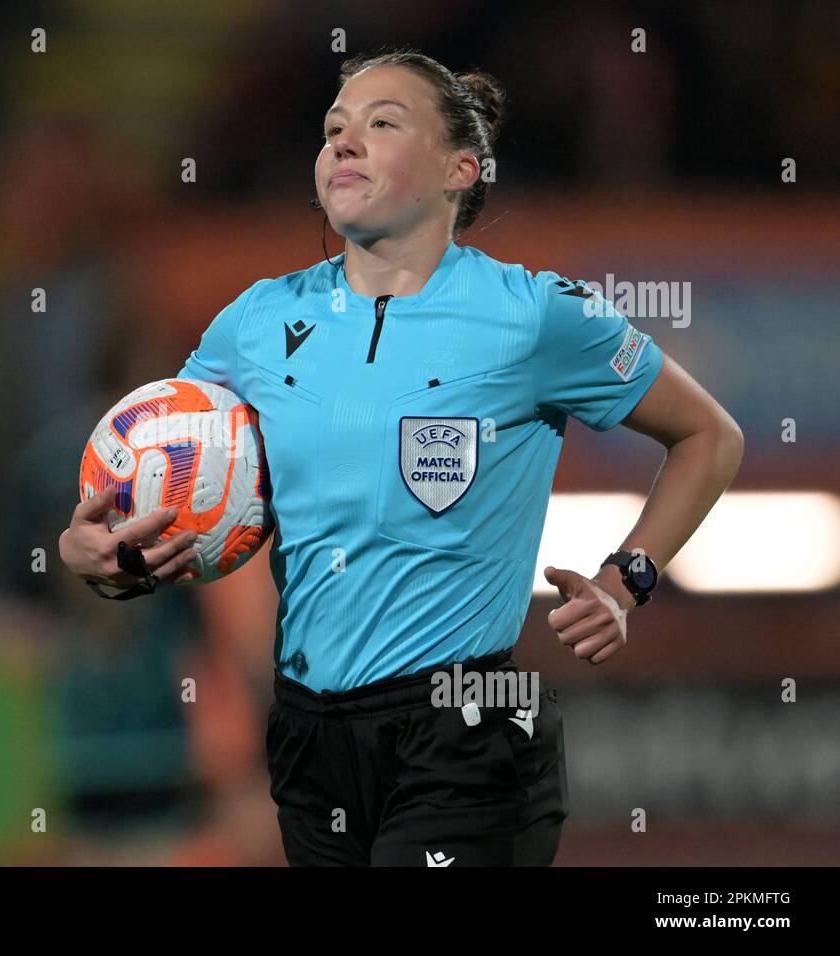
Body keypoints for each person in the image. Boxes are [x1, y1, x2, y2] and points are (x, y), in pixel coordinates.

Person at [58, 47, 743, 865]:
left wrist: (628, 577)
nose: (344, 142)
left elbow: (710, 435)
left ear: (461, 167)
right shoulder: (253, 323)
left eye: (382, 124)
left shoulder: (534, 316)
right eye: (333, 129)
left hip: (466, 729)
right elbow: (169, 489)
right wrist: (99, 557)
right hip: (311, 738)